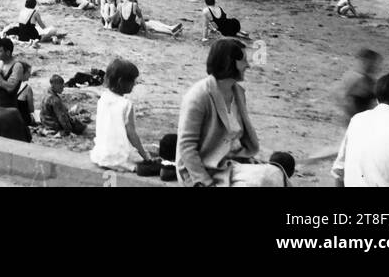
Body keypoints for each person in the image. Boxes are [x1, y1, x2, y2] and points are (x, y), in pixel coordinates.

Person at [176, 39, 283, 186]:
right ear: (229, 63)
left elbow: (236, 139)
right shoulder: (198, 96)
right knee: (263, 179)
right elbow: (186, 147)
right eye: (243, 60)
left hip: (230, 164)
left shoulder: (238, 92)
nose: (248, 65)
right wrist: (204, 182)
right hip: (204, 171)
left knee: (275, 173)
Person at [90, 58, 151, 171]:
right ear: (121, 81)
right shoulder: (126, 104)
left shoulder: (103, 98)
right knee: (146, 164)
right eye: (133, 81)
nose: (135, 84)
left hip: (100, 154)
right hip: (118, 158)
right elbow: (131, 134)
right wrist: (145, 156)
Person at [0, 37, 34, 124]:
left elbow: (10, 88)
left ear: (8, 52)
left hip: (9, 107)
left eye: (0, 51)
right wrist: (2, 84)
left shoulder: (17, 66)